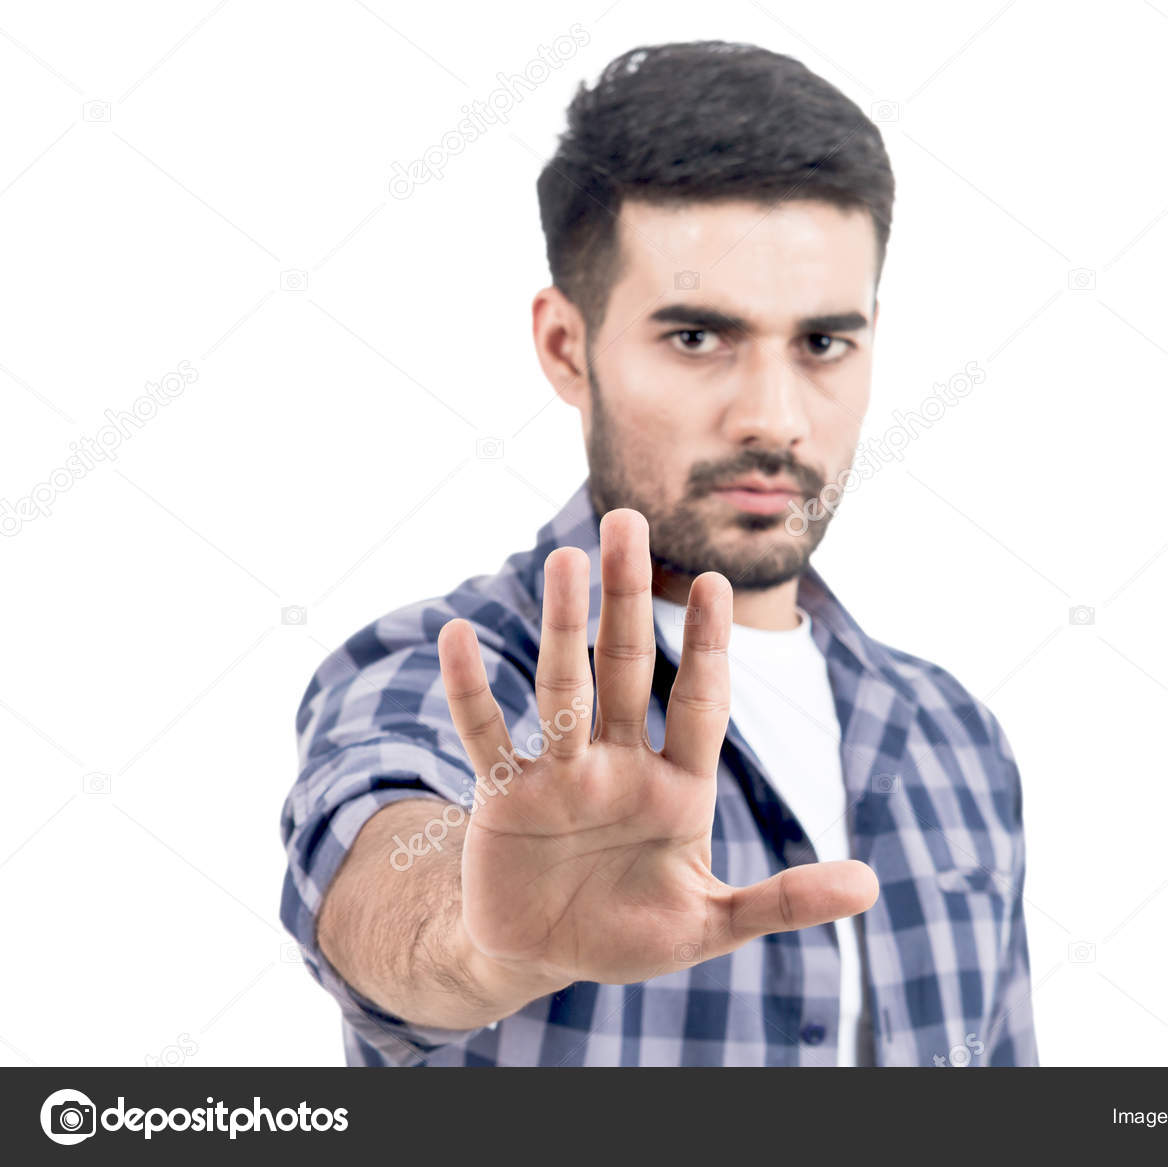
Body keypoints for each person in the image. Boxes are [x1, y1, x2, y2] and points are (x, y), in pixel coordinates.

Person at [279, 39, 1036, 1067]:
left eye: (822, 343)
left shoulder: (955, 738)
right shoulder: (447, 670)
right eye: (696, 338)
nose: (773, 417)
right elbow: (374, 876)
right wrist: (477, 939)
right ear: (565, 348)